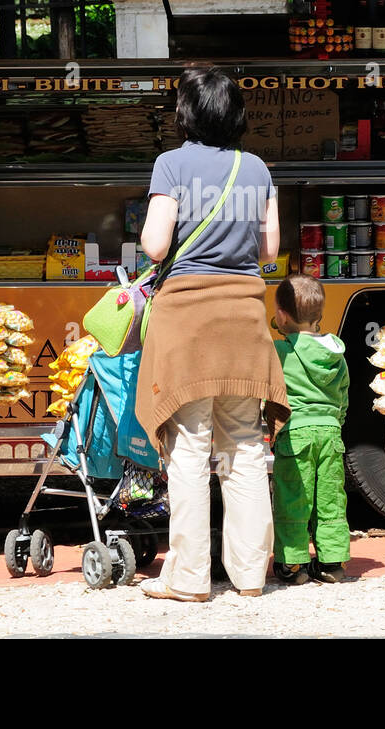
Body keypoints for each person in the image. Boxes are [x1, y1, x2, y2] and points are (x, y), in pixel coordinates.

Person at [135, 66, 288, 602]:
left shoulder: (171, 164)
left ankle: (190, 578)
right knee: (245, 446)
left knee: (190, 448)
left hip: (189, 325)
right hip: (244, 321)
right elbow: (269, 252)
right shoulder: (258, 169)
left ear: (186, 114)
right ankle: (250, 576)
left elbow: (156, 246)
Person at [270, 274, 351, 585]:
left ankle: (292, 563)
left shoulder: (282, 351)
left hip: (296, 435)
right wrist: (335, 424)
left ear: (283, 315)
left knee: (293, 498)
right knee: (331, 499)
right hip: (331, 435)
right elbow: (343, 397)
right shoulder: (337, 355)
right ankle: (332, 562)